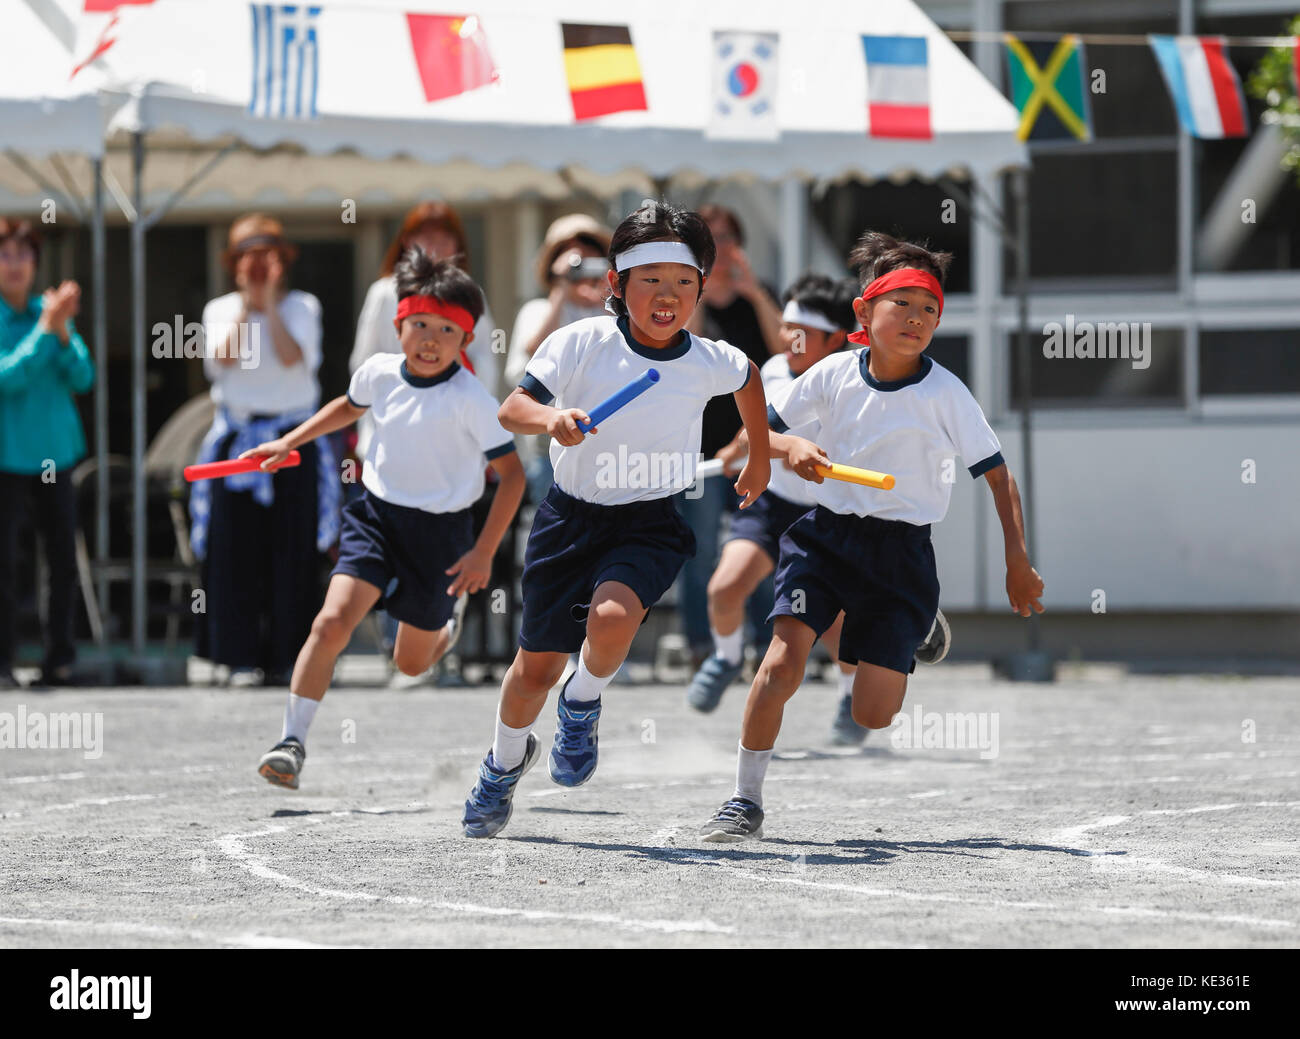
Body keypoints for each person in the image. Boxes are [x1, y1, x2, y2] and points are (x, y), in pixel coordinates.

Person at [698, 231, 1045, 841]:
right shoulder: (832, 373)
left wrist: (1018, 562)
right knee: (781, 664)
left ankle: (914, 627)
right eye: (901, 305)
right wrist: (792, 446)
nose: (916, 319)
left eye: (929, 309)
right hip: (825, 540)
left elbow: (999, 478)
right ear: (864, 311)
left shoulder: (945, 393)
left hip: (902, 553)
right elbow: (762, 432)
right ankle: (743, 800)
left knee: (873, 714)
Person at [461, 200, 772, 839]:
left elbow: (750, 379)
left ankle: (582, 704)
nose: (668, 296)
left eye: (684, 282)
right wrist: (551, 420)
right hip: (568, 520)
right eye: (651, 280)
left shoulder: (708, 357)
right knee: (533, 670)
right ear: (616, 285)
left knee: (610, 619)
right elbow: (511, 409)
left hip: (651, 520)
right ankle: (502, 763)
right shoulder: (580, 343)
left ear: (701, 288)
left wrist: (760, 456)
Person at [250, 250, 524, 789]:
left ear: (466, 341)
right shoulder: (378, 372)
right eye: (419, 323)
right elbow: (348, 407)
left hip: (443, 537)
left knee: (411, 666)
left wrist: (482, 552)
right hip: (375, 518)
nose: (429, 338)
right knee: (331, 622)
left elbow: (513, 477)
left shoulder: (471, 398)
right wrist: (289, 441)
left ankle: (445, 624)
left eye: (446, 329)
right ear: (398, 324)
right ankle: (291, 741)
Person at [688, 273, 953, 744]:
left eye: (802, 332)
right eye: (787, 327)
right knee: (724, 588)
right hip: (772, 506)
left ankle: (854, 691)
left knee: (833, 626)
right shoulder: (771, 372)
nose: (789, 339)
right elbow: (758, 427)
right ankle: (727, 658)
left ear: (834, 338)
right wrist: (742, 447)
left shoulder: (852, 381)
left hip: (829, 521)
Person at [190, 213, 339, 688]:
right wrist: (247, 304)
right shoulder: (219, 309)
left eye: (265, 258)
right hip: (240, 443)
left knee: (292, 550)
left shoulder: (302, 307)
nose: (257, 267)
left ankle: (288, 656)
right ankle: (237, 656)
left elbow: (296, 359)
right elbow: (223, 363)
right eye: (248, 259)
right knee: (234, 549)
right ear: (233, 264)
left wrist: (270, 305)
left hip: (292, 440)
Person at [677, 205, 785, 670]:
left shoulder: (759, 297)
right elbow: (686, 354)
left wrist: (754, 292)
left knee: (756, 549)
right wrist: (699, 291)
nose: (719, 248)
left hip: (755, 447)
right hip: (701, 450)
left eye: (727, 237)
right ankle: (704, 647)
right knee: (699, 549)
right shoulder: (686, 299)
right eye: (710, 239)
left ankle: (764, 645)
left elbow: (789, 351)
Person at [0, 219, 94, 688]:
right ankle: (3, 661)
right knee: (5, 562)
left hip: (56, 454)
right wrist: (45, 330)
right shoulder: (37, 317)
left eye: (23, 254)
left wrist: (60, 332)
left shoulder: (51, 313)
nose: (15, 264)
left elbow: (82, 377)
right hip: (8, 456)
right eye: (5, 254)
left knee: (61, 560)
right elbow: (6, 378)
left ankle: (60, 656)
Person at [350, 202, 500, 435]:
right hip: (395, 419)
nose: (435, 249)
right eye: (427, 239)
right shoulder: (384, 292)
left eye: (444, 241)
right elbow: (364, 359)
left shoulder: (470, 292)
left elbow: (484, 357)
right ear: (407, 242)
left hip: (454, 421)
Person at [504, 214, 612, 504]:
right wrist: (562, 289)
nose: (583, 266)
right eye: (571, 256)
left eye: (592, 253)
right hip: (550, 448)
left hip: (608, 449)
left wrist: (610, 294)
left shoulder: (612, 314)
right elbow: (533, 356)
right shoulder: (537, 310)